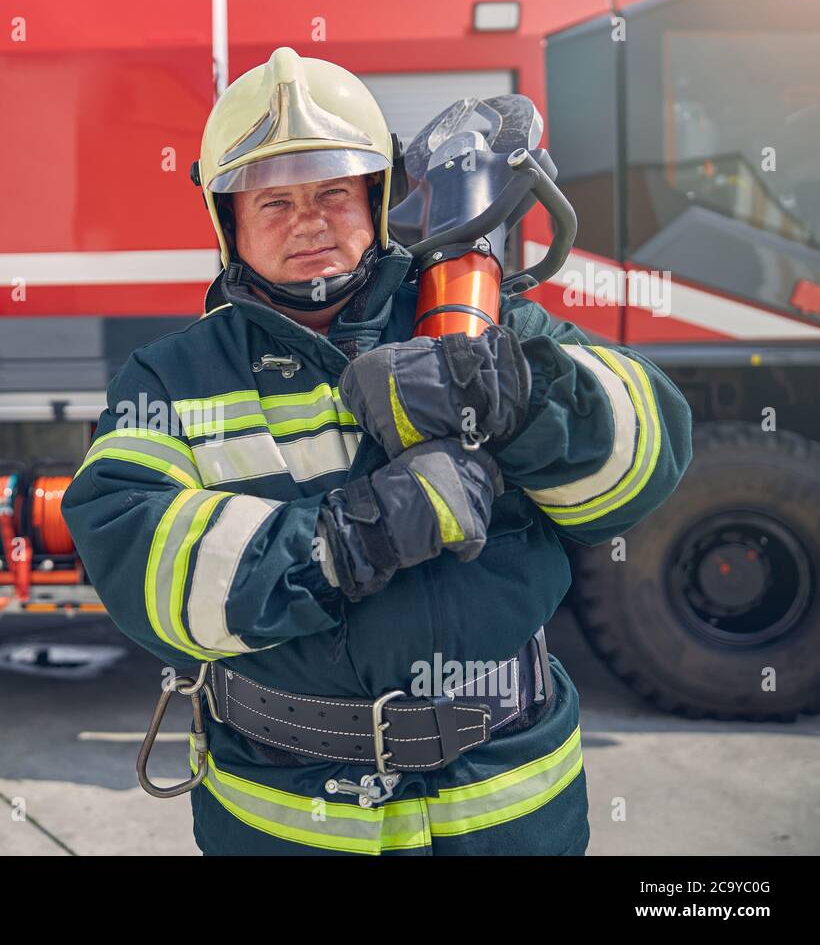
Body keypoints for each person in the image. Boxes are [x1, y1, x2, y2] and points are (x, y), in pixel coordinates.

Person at [61, 48, 693, 855]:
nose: (310, 221)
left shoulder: (478, 320)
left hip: (511, 806)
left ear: (377, 198)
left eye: (333, 191)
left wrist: (523, 397)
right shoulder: (173, 378)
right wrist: (344, 540)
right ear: (230, 225)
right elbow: (133, 556)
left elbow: (648, 462)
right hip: (285, 819)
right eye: (274, 203)